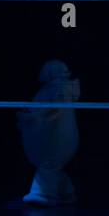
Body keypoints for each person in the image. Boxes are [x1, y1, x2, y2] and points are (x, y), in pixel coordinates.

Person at [19, 60, 80, 206]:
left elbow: (56, 110)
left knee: (49, 162)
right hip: (53, 132)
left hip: (55, 134)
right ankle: (65, 191)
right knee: (52, 164)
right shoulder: (57, 88)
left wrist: (36, 116)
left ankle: (42, 193)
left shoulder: (61, 88)